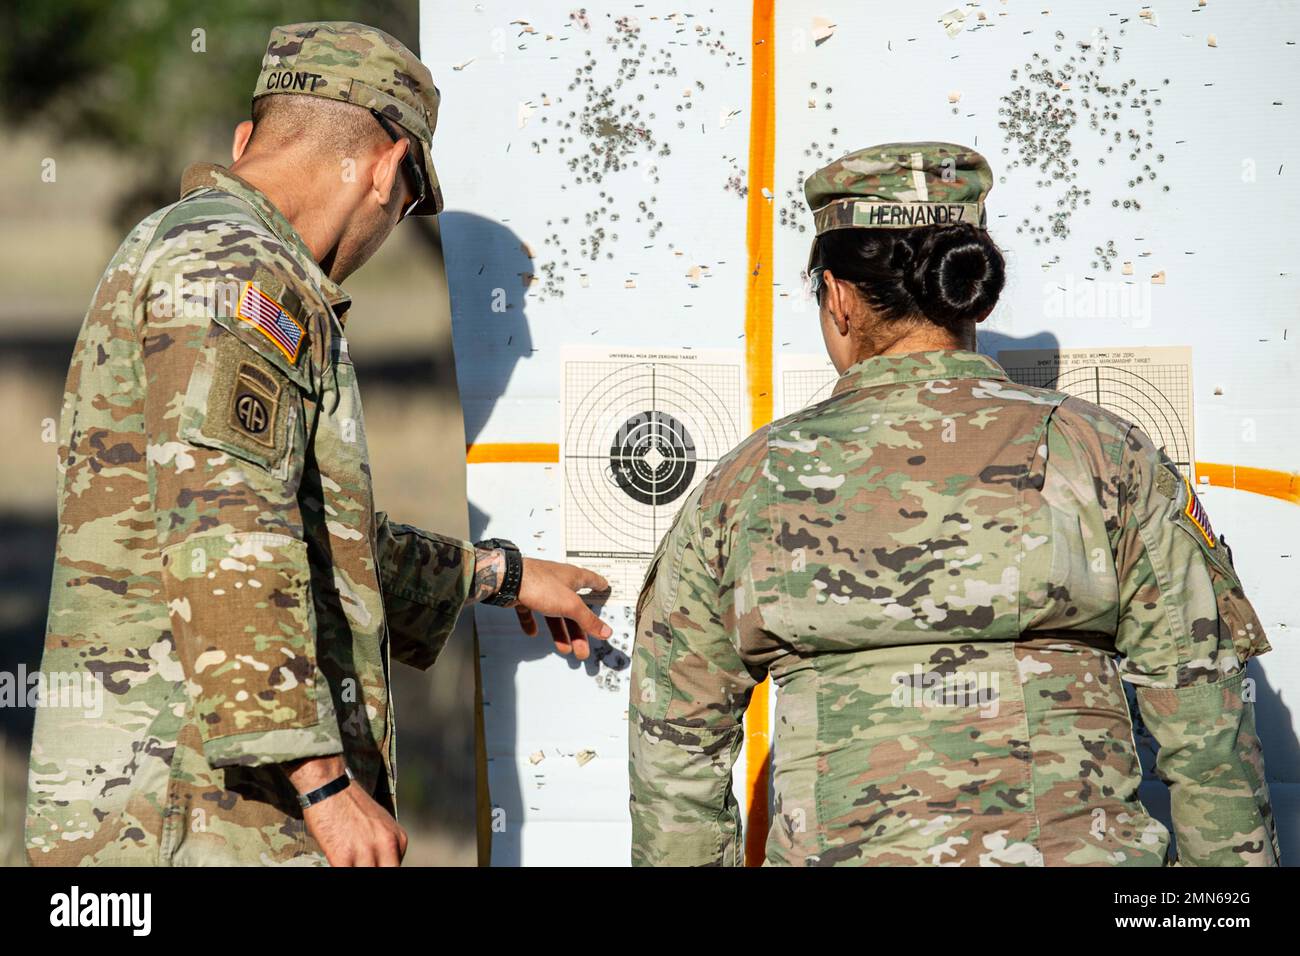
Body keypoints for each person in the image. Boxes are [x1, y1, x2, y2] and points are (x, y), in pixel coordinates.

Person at [26, 21, 610, 867]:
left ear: (246, 141)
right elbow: (230, 535)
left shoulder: (191, 248)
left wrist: (498, 575)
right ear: (385, 170)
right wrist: (328, 786)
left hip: (162, 802)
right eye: (410, 203)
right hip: (200, 813)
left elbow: (294, 530)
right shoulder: (239, 272)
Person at [628, 142, 1278, 867]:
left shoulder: (744, 485)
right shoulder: (1104, 454)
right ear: (977, 294)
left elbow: (675, 755)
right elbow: (1207, 731)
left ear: (838, 298)